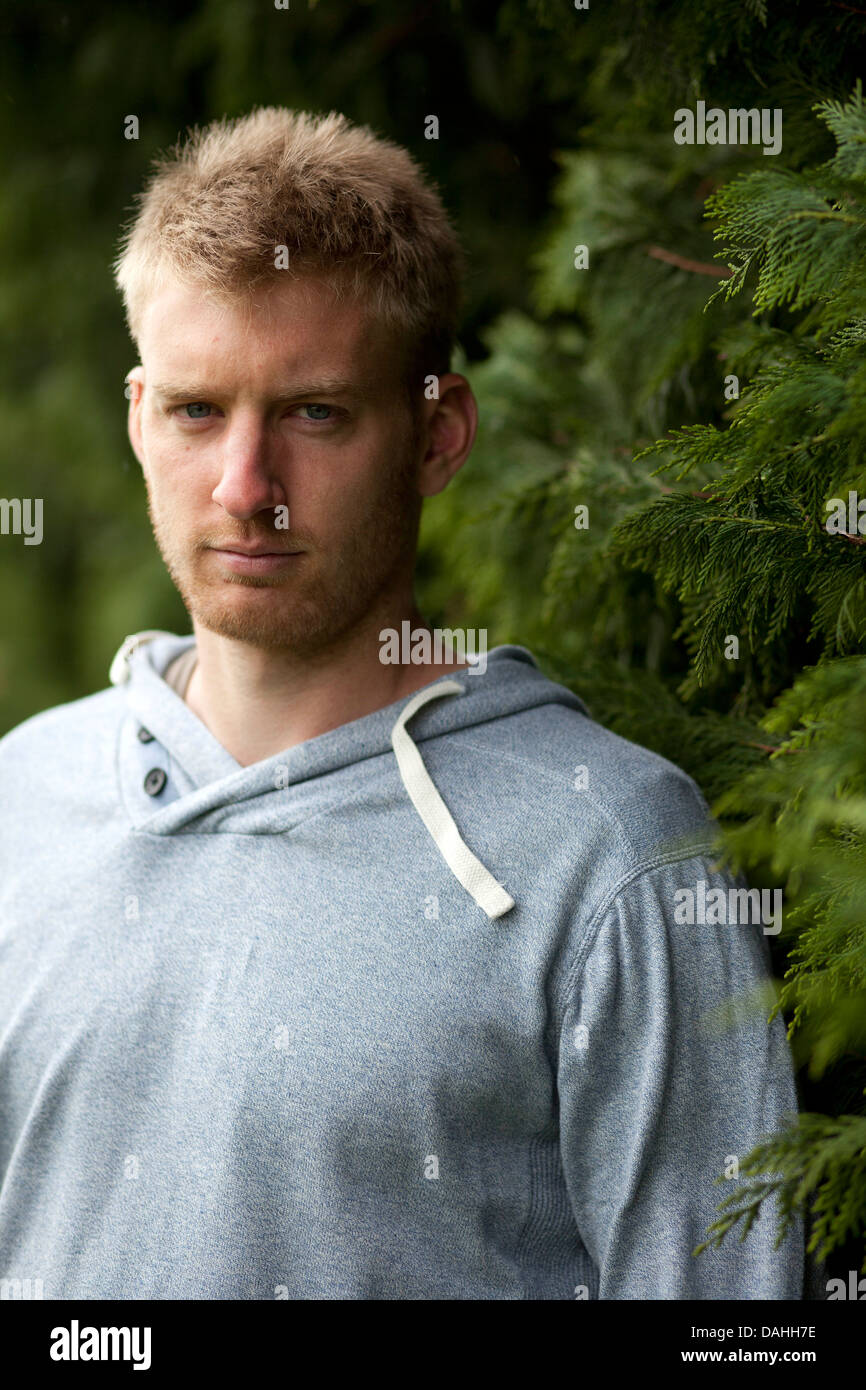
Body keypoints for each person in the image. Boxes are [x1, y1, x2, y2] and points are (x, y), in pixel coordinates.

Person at [0, 107, 803, 1300]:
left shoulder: (608, 854)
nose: (245, 488)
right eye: (195, 410)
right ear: (136, 416)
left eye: (314, 412)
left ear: (436, 435)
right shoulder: (24, 793)